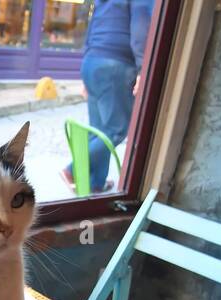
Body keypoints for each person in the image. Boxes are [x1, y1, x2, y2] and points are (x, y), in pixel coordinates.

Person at [62, 0, 153, 193]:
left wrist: (85, 75)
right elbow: (141, 27)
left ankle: (95, 183)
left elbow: (91, 28)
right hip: (115, 65)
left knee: (98, 130)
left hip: (92, 62)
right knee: (117, 130)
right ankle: (72, 170)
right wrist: (142, 69)